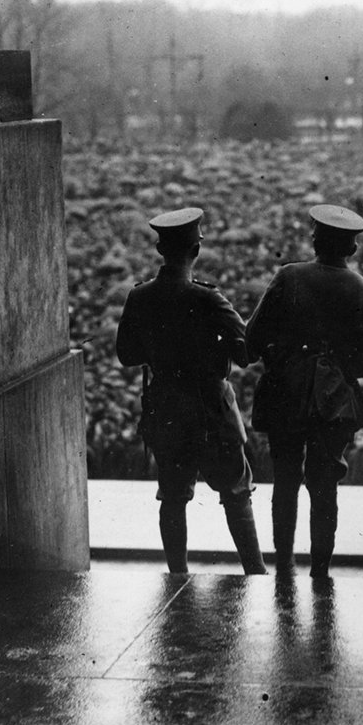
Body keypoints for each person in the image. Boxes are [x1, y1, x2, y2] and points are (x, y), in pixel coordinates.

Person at [114, 207, 267, 575]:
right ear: (196, 250)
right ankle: (256, 572)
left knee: (173, 497)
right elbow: (246, 353)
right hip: (211, 409)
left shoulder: (140, 297)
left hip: (166, 407)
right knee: (236, 493)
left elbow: (126, 355)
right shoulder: (208, 299)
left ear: (160, 250)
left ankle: (177, 574)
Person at [247, 204, 363, 578]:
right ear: (351, 249)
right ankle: (320, 570)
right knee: (325, 487)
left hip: (284, 394)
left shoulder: (289, 276)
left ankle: (284, 564)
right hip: (335, 402)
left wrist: (283, 357)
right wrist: (338, 369)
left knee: (285, 482)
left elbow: (253, 337)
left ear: (314, 240)